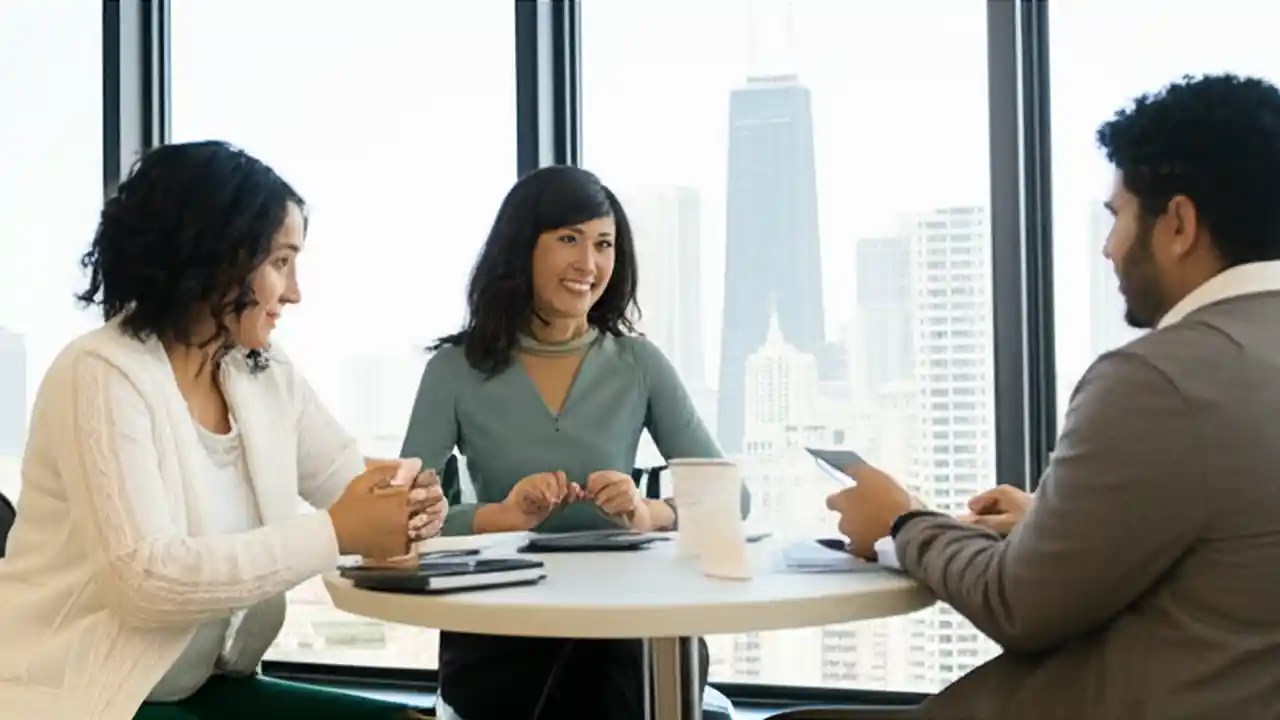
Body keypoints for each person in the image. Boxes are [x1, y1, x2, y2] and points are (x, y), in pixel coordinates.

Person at [826, 73, 1280, 719]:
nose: (1108, 247)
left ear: (1177, 223)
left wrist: (901, 522)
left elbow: (1020, 605)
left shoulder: (1160, 378)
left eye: (1118, 216)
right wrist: (1057, 521)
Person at [0, 141, 447, 720]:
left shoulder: (262, 372)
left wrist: (409, 503)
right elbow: (146, 581)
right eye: (281, 262)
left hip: (197, 688)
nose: (294, 292)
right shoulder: (102, 374)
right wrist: (336, 532)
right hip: (85, 697)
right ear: (217, 258)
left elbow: (345, 481)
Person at [401, 165, 748, 719]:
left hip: (624, 621)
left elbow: (731, 500)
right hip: (502, 621)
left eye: (604, 244)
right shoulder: (453, 370)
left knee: (615, 662)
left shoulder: (639, 363)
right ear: (521, 248)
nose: (589, 264)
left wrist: (647, 513)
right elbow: (405, 514)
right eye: (569, 239)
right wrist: (503, 516)